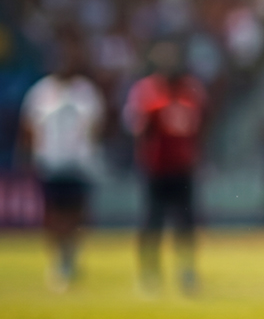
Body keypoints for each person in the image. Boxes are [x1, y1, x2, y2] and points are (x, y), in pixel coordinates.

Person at [17, 25, 105, 291]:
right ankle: (58, 260)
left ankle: (72, 256)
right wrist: (29, 156)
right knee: (53, 214)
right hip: (51, 162)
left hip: (77, 162)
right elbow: (29, 127)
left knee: (77, 213)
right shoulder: (40, 93)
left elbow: (96, 126)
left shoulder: (85, 93)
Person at [123, 41, 207, 294]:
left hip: (183, 168)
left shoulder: (190, 91)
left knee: (186, 224)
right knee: (152, 222)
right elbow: (139, 129)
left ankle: (187, 271)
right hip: (157, 168)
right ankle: (149, 272)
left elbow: (201, 125)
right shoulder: (148, 92)